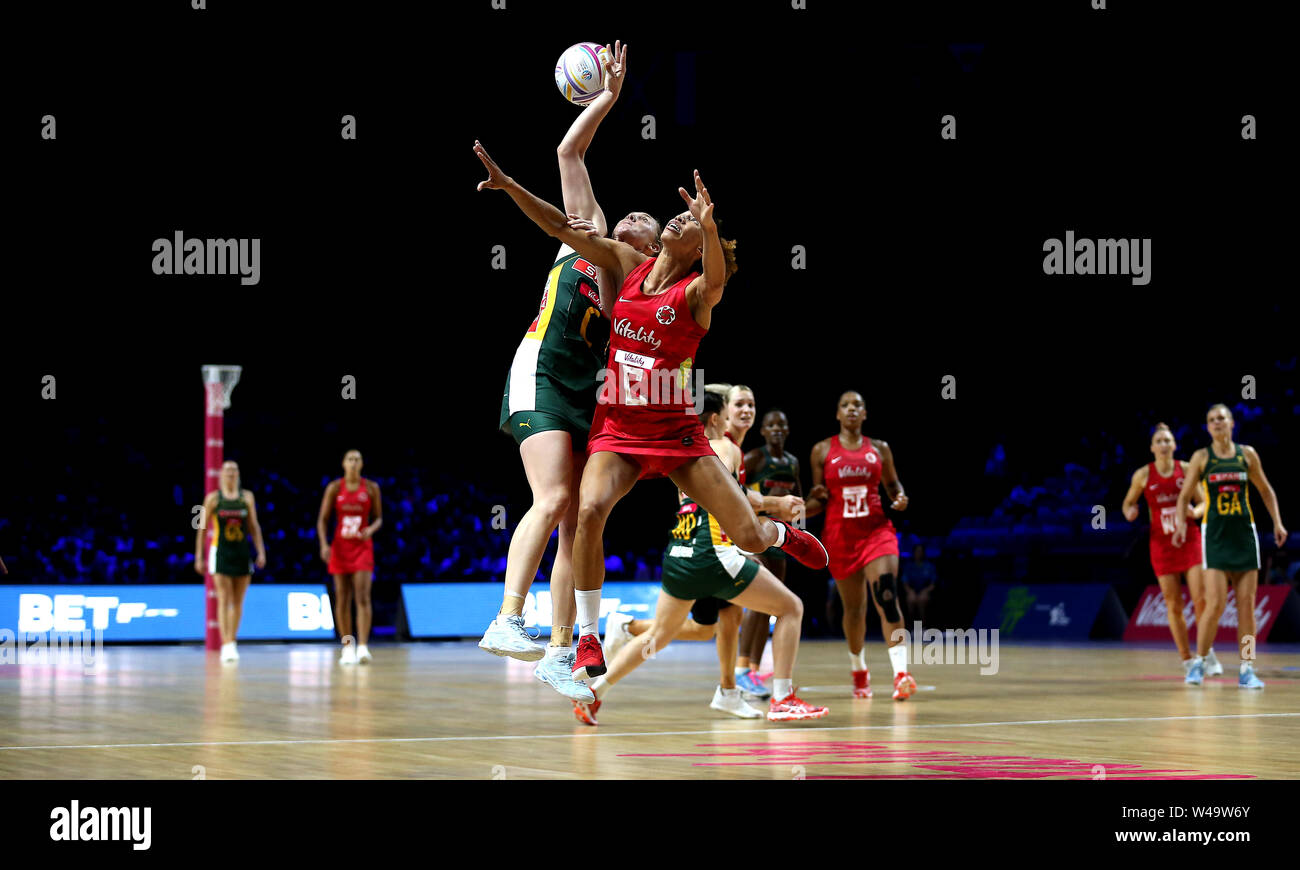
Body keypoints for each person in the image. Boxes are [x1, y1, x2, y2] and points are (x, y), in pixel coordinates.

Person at [473, 141, 829, 696]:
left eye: (686, 221)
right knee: (585, 510)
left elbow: (716, 279)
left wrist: (709, 228)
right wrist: (510, 186)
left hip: (678, 436)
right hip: (618, 429)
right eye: (682, 216)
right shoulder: (627, 265)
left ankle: (779, 532)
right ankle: (585, 638)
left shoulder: (694, 293)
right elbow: (561, 229)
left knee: (748, 538)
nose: (680, 217)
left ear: (693, 250)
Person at [476, 43, 659, 704]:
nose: (634, 216)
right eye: (632, 215)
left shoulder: (635, 294)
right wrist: (607, 100)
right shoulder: (589, 232)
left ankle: (560, 650)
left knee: (579, 525)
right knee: (552, 500)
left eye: (649, 223)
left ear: (652, 250)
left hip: (585, 398)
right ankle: (507, 617)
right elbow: (568, 156)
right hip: (541, 374)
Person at [575, 389, 825, 723]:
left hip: (679, 551)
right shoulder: (721, 447)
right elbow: (729, 496)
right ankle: (781, 698)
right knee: (791, 608)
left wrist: (766, 503)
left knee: (664, 635)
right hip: (713, 551)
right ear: (718, 418)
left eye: (750, 404)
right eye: (735, 406)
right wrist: (773, 505)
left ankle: (595, 693)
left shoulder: (686, 450)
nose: (741, 413)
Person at [805, 391, 916, 700]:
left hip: (876, 532)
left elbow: (894, 486)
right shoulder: (821, 450)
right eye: (845, 405)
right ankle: (859, 670)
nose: (852, 409)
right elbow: (819, 495)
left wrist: (900, 497)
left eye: (858, 405)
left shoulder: (880, 449)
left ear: (865, 413)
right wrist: (800, 507)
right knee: (854, 610)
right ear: (837, 414)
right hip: (840, 537)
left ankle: (901, 675)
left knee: (887, 596)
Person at [1173, 404, 1287, 688]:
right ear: (1208, 427)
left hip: (1244, 536)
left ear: (1231, 423)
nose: (1217, 423)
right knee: (1215, 604)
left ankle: (1247, 668)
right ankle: (1199, 661)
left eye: (1221, 418)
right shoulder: (1201, 457)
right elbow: (1184, 496)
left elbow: (1265, 490)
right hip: (1216, 537)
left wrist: (1277, 523)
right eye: (1211, 420)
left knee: (1247, 605)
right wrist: (1179, 525)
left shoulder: (1246, 454)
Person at [1120, 423, 1212, 677]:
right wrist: (1130, 512)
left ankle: (1207, 651)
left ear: (1174, 445)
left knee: (1201, 599)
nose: (1163, 445)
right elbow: (1127, 503)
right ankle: (1186, 659)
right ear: (1152, 448)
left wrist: (1197, 511)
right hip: (1162, 545)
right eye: (1159, 441)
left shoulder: (1185, 469)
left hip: (1190, 540)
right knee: (1173, 604)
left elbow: (1204, 501)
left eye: (1167, 440)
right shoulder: (1142, 476)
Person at [735, 407, 802, 699]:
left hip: (780, 540)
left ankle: (752, 668)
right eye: (771, 425)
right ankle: (741, 669)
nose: (776, 429)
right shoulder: (754, 458)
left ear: (787, 431)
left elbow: (798, 503)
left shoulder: (792, 463)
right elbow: (734, 491)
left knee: (771, 607)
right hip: (756, 535)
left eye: (781, 425)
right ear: (763, 431)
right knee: (757, 603)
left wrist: (801, 533)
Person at [194, 460, 266, 662]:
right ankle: (226, 643)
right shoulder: (212, 499)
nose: (231, 473)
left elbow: (254, 526)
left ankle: (233, 640)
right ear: (221, 475)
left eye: (234, 470)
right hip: (220, 552)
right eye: (227, 470)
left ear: (239, 474)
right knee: (224, 598)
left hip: (242, 552)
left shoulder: (247, 498)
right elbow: (200, 528)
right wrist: (199, 556)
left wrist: (261, 551)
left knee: (238, 601)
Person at [317, 450, 383, 665]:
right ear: (343, 464)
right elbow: (323, 520)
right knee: (342, 598)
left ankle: (363, 646)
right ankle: (347, 646)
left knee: (362, 597)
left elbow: (379, 518)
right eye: (350, 459)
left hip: (362, 547)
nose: (353, 463)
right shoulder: (335, 488)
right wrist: (324, 544)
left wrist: (371, 529)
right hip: (340, 548)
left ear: (362, 464)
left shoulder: (371, 488)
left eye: (357, 459)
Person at [900, 545, 936, 628]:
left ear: (924, 553)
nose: (919, 554)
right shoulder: (909, 566)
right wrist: (910, 591)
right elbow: (905, 582)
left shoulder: (929, 566)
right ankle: (910, 626)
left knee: (922, 600)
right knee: (911, 599)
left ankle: (923, 626)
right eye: (917, 551)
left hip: (925, 591)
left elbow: (933, 583)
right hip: (912, 591)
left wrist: (926, 591)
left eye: (920, 551)